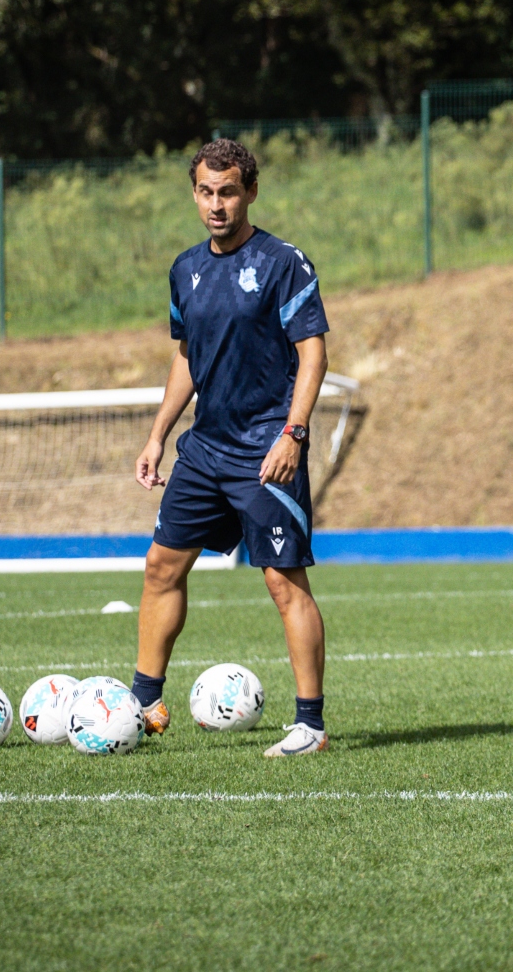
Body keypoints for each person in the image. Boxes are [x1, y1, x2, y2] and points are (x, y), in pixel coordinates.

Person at [132, 138, 333, 757]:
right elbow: (188, 356)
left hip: (266, 448)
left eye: (227, 192)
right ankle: (143, 704)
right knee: (161, 567)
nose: (216, 204)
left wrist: (293, 434)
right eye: (205, 192)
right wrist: (158, 434)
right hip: (206, 449)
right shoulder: (185, 268)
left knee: (282, 581)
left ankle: (310, 726)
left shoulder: (283, 262)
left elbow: (313, 352)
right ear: (194, 193)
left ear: (249, 192)